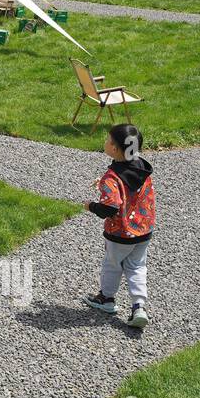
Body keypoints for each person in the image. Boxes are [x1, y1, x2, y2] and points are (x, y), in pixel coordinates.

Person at [83, 124, 154, 329]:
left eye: (108, 140)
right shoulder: (141, 167)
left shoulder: (111, 178)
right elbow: (128, 187)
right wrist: (104, 184)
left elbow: (109, 208)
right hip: (143, 230)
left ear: (115, 149)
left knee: (112, 265)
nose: (105, 142)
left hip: (119, 234)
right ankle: (138, 307)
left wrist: (91, 206)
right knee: (137, 267)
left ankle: (106, 299)